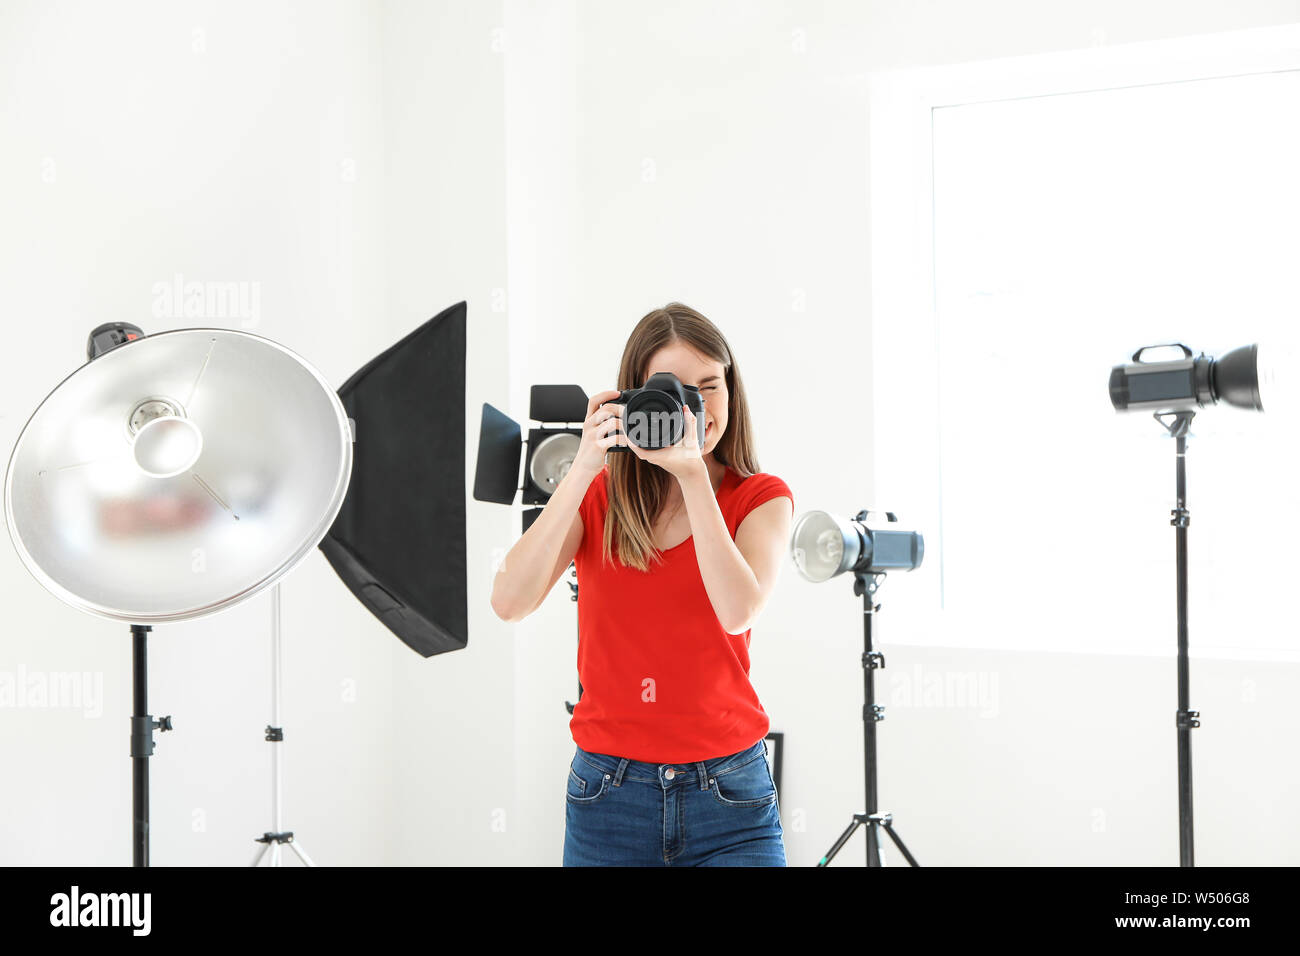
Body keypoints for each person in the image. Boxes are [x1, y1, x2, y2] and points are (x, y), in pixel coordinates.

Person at [490, 302, 794, 866]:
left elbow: (737, 611)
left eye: (709, 386)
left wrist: (693, 474)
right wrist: (582, 467)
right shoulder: (599, 495)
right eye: (674, 390)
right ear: (636, 398)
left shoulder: (760, 497)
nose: (695, 406)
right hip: (609, 795)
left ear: (731, 392)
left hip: (730, 793)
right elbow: (508, 602)